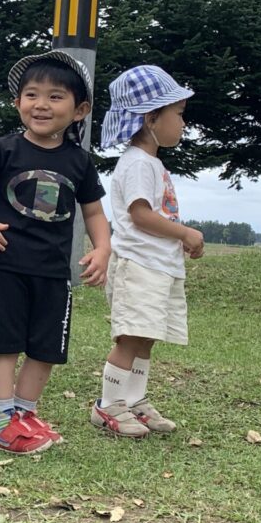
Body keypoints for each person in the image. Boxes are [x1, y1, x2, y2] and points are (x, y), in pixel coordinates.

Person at [0, 51, 111, 455]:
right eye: (31, 95)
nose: (41, 104)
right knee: (4, 346)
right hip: (3, 267)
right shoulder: (3, 149)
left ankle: (24, 416)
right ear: (18, 103)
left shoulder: (80, 162)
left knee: (46, 350)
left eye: (55, 97)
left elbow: (94, 211)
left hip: (53, 273)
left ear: (80, 110)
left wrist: (103, 248)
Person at [91, 65, 203, 437]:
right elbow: (140, 215)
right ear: (151, 117)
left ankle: (134, 400)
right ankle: (108, 405)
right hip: (139, 265)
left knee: (146, 336)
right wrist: (184, 232)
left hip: (158, 265)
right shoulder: (137, 163)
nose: (183, 124)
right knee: (130, 336)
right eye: (179, 114)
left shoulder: (151, 162)